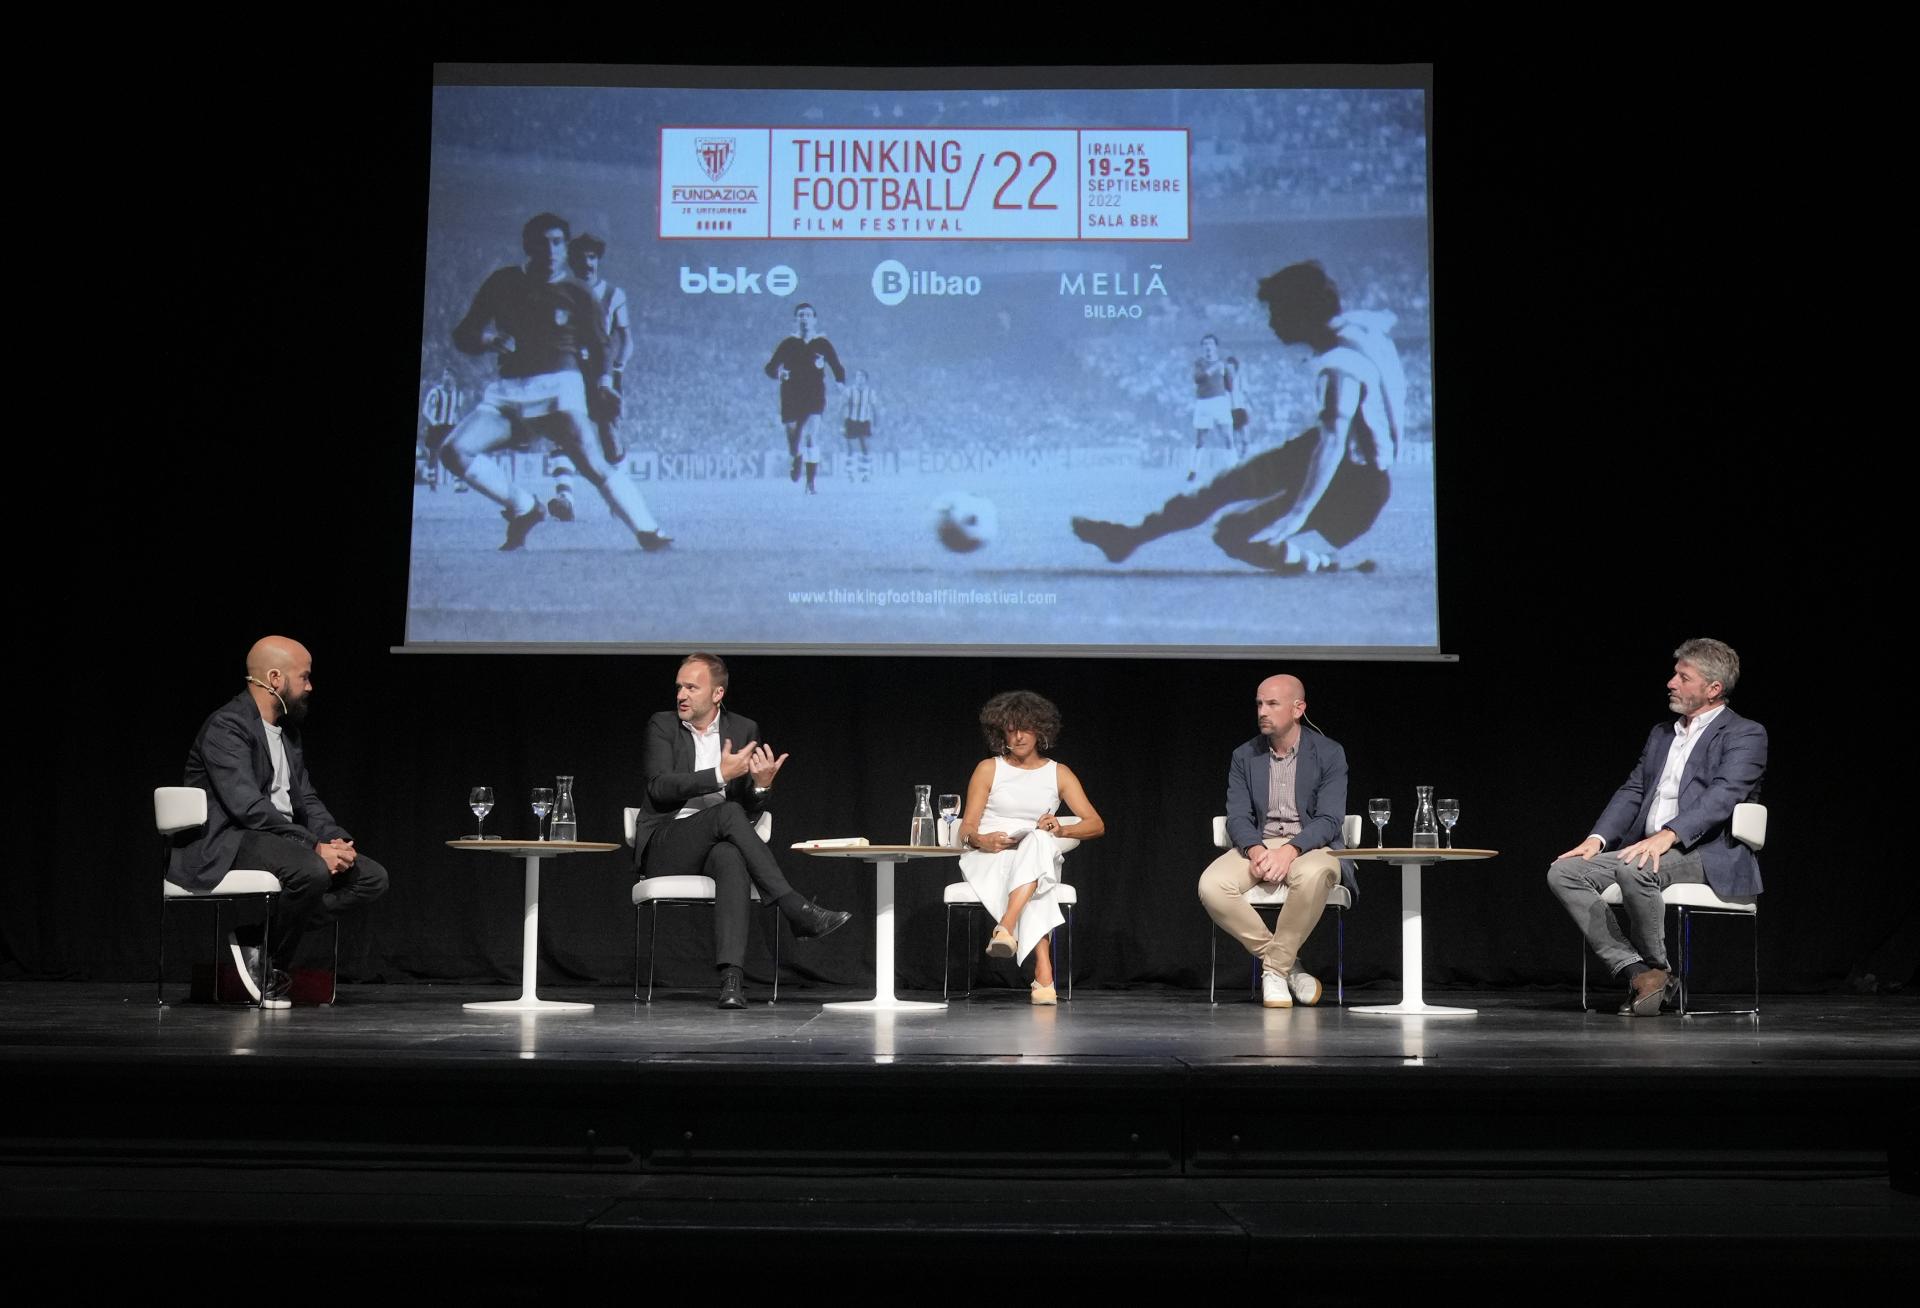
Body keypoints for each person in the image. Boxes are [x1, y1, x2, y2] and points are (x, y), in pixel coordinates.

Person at [1072, 261, 1404, 574]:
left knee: (1232, 534)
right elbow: (1383, 319)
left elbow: (1332, 441)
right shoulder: (1359, 328)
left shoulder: (1341, 366)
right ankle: (1128, 540)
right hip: (1336, 455)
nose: (1271, 322)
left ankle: (1322, 564)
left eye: (1276, 311)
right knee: (1222, 487)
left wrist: (1297, 512)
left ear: (1301, 312)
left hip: (1353, 483)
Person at [1547, 639, 1767, 1016]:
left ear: (1713, 689)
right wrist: (1596, 840)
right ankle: (1644, 972)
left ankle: (1655, 971)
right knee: (1565, 871)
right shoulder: (1662, 734)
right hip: (1648, 847)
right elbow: (1634, 789)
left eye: (1684, 677)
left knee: (1636, 867)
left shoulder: (1745, 734)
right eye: (1675, 674)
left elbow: (1725, 795)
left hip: (1709, 851)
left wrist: (1670, 834)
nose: (1671, 682)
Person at [168, 638, 390, 1008]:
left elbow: (307, 798)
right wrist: (314, 848)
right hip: (231, 839)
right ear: (274, 678)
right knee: (313, 871)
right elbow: (247, 807)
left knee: (370, 878)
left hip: (283, 841)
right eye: (304, 677)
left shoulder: (288, 734)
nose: (309, 686)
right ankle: (267, 960)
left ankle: (259, 941)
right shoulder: (227, 727)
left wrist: (335, 839)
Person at [439, 212, 670, 552]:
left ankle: (649, 531)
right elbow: (464, 334)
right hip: (509, 392)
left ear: (566, 248)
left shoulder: (577, 292)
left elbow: (600, 345)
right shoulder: (503, 282)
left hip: (561, 385)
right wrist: (488, 340)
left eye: (557, 242)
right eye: (542, 242)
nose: (550, 250)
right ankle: (524, 507)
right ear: (527, 246)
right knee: (453, 452)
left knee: (592, 463)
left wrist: (604, 383)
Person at [631, 653, 851, 1009]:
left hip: (716, 841)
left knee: (731, 854)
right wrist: (718, 775)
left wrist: (761, 787)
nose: (681, 695)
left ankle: (732, 981)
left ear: (717, 694)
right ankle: (794, 907)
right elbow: (659, 787)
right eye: (679, 687)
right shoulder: (663, 725)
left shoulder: (743, 730)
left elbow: (746, 806)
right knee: (728, 814)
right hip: (666, 843)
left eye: (691, 687)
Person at [1197, 674, 1355, 1008]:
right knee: (1212, 885)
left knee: (1311, 875)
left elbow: (1329, 819)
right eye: (1259, 703)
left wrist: (1290, 850)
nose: (1262, 711)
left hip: (1313, 845)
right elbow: (1238, 816)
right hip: (1260, 843)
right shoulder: (1244, 755)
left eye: (1272, 704)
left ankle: (1273, 971)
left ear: (1299, 708)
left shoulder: (1328, 753)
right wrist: (1255, 849)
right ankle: (1286, 966)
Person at [955, 691, 1105, 1005]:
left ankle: (1006, 927)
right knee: (1040, 879)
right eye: (1011, 729)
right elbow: (967, 828)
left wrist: (1061, 828)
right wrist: (983, 840)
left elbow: (1096, 824)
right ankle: (1044, 972)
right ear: (1001, 734)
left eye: (1026, 728)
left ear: (1041, 731)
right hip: (990, 856)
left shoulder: (1058, 773)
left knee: (1038, 841)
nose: (1019, 736)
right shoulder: (988, 768)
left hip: (1035, 853)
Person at [764, 302, 845, 495]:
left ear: (815, 319)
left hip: (814, 395)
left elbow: (836, 366)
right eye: (801, 315)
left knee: (811, 436)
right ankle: (796, 457)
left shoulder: (823, 344)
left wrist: (840, 382)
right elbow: (770, 367)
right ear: (795, 319)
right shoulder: (788, 343)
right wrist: (779, 374)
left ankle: (810, 483)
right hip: (791, 395)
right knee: (793, 438)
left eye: (808, 315)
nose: (805, 318)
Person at [568, 233, 631, 466]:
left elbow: (626, 339)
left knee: (608, 430)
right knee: (564, 423)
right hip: (570, 367)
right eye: (581, 258)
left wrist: (617, 370)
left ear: (598, 260)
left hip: (601, 369)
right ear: (572, 261)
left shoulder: (614, 295)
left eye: (592, 257)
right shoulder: (561, 292)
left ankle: (622, 487)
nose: (587, 263)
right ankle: (564, 495)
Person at [1185, 333, 1235, 481]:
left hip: (1220, 401)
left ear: (1215, 347)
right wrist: (1213, 370)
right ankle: (1193, 471)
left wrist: (1229, 374)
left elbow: (1229, 387)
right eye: (1205, 344)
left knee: (1227, 436)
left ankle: (1234, 470)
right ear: (1202, 347)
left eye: (1210, 344)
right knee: (1201, 439)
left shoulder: (1222, 364)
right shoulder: (1200, 363)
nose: (1208, 346)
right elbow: (1197, 379)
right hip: (1204, 402)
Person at [841, 369, 880, 483]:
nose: (859, 378)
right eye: (857, 376)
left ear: (866, 379)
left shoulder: (870, 393)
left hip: (864, 421)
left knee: (865, 447)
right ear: (855, 378)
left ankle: (865, 474)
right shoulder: (849, 391)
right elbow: (841, 407)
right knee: (850, 447)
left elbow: (874, 409)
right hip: (851, 421)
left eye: (862, 376)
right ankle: (850, 473)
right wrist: (841, 425)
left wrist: (876, 425)